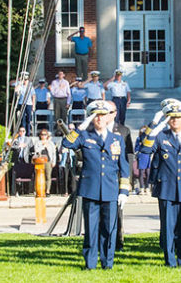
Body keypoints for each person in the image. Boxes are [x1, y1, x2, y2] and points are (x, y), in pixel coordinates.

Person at [62, 100, 130, 270]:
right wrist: (82, 126)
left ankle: (107, 263)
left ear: (108, 117)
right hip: (90, 189)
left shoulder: (117, 139)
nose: (99, 118)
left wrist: (124, 191)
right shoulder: (85, 136)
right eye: (95, 115)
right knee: (91, 229)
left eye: (102, 115)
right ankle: (90, 264)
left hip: (110, 189)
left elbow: (124, 166)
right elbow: (67, 143)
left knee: (109, 229)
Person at [141, 101, 181, 268]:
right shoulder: (161, 137)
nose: (175, 121)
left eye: (178, 117)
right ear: (167, 120)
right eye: (171, 118)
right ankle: (169, 261)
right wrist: (155, 127)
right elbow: (145, 149)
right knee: (168, 228)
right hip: (166, 189)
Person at [105, 101, 134, 250]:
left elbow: (129, 156)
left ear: (115, 113)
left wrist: (128, 181)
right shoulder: (93, 130)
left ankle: (117, 241)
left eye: (109, 112)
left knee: (117, 212)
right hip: (101, 177)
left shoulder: (123, 131)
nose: (105, 115)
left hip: (116, 178)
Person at [32, 128, 58, 195]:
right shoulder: (38, 143)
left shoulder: (50, 143)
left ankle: (47, 191)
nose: (43, 136)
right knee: (38, 176)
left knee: (48, 176)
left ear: (47, 136)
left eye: (45, 135)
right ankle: (38, 190)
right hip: (39, 161)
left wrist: (53, 161)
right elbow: (36, 151)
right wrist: (43, 146)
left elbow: (53, 153)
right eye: (42, 135)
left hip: (48, 161)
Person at [135, 125, 152, 195]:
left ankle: (147, 188)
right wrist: (138, 153)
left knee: (148, 172)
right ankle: (142, 188)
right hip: (141, 156)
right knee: (141, 173)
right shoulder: (139, 138)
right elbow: (136, 148)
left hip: (148, 156)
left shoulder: (149, 138)